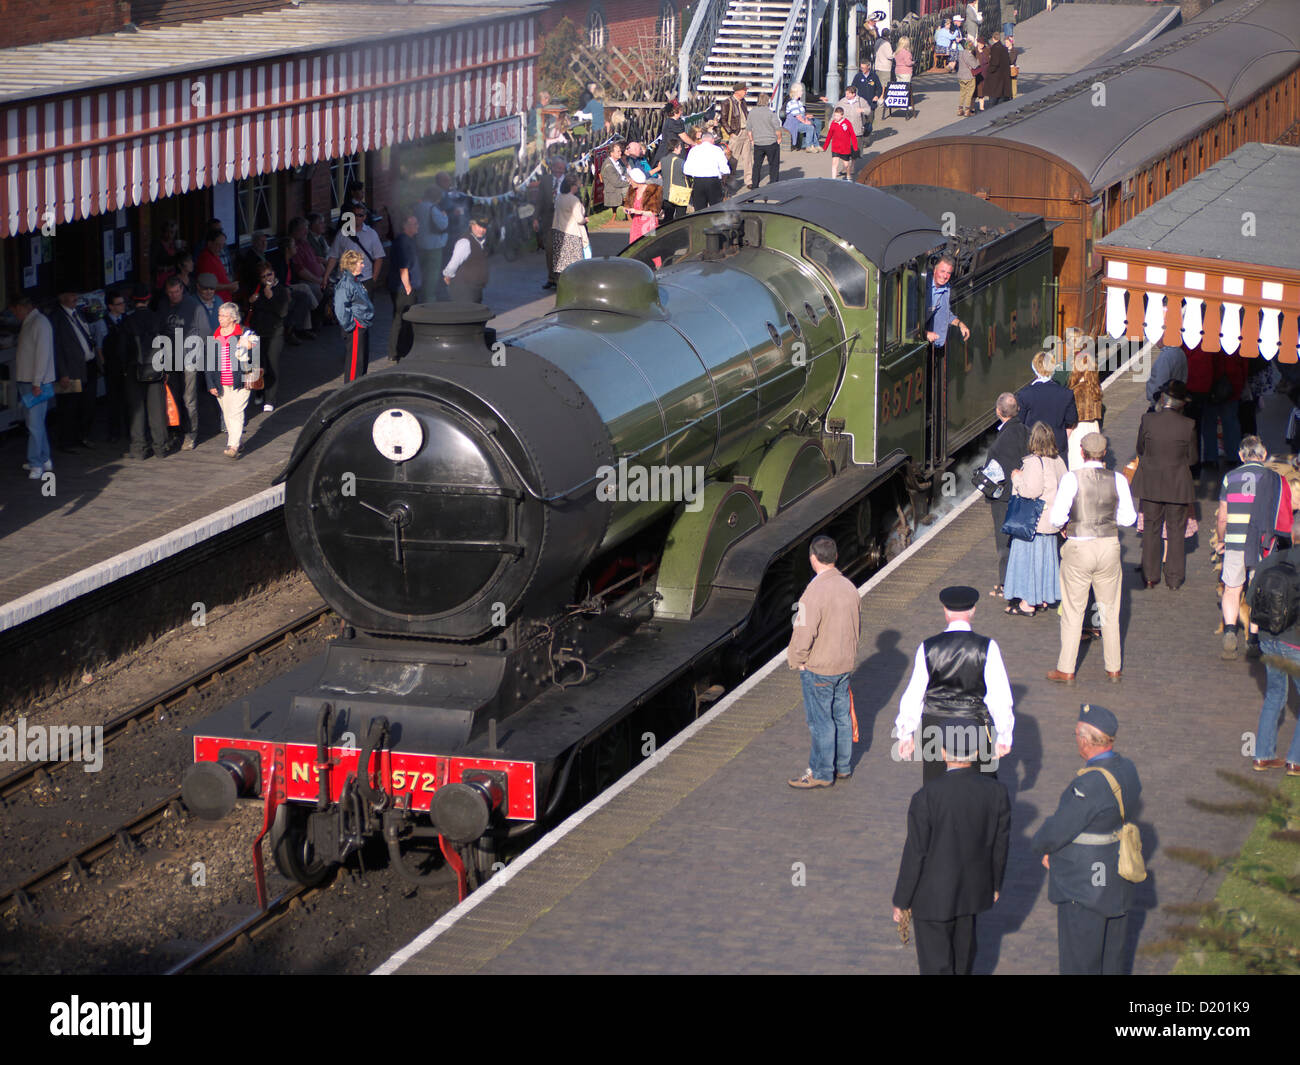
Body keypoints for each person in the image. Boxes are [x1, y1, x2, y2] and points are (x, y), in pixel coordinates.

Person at [1031, 704, 1143, 975]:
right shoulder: (1126, 768)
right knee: (1111, 962)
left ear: (1086, 740)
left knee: (1079, 963)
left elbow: (1059, 827)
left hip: (1085, 885)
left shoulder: (1089, 784)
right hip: (1116, 880)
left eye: (1076, 736)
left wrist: (1041, 846)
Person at [891, 724, 1011, 975]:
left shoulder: (926, 797)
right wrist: (995, 884)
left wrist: (902, 900)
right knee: (963, 962)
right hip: (971, 894)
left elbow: (916, 853)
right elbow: (1000, 844)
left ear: (943, 753)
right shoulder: (996, 792)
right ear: (977, 752)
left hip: (932, 899)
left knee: (936, 966)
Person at [895, 586, 1014, 783]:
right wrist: (1004, 735)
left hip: (934, 725)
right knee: (981, 789)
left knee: (935, 789)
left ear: (945, 610)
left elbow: (914, 694)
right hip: (975, 723)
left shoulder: (928, 647)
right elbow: (1000, 698)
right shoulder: (987, 647)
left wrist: (906, 732)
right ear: (973, 610)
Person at [1047, 432, 1137, 685]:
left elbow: (1056, 518)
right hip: (1109, 546)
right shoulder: (1117, 479)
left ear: (1082, 452)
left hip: (1079, 547)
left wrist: (1071, 523)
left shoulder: (1071, 479)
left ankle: (1066, 668)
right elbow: (1129, 518)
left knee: (1074, 610)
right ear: (1104, 453)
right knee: (1109, 609)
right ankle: (1113, 667)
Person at [786, 535, 861, 789]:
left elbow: (803, 631)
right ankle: (843, 767)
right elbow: (856, 627)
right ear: (835, 557)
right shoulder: (849, 587)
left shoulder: (813, 592)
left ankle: (821, 773)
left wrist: (798, 660)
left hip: (820, 668)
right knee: (841, 717)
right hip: (844, 665)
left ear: (812, 559)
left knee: (821, 722)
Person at [1217, 436, 1291, 660]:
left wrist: (1222, 539)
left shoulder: (1230, 477)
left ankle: (1230, 632)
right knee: (1258, 589)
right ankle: (1254, 638)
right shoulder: (1275, 479)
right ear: (1264, 454)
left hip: (1236, 541)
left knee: (1232, 588)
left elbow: (1223, 516)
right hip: (1262, 543)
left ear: (1241, 455)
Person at [1132, 380, 1197, 590]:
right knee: (1176, 531)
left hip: (1150, 482)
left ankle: (1150, 576)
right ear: (1180, 403)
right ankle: (1174, 579)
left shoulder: (1148, 420)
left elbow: (1140, 449)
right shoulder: (1188, 425)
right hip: (1178, 484)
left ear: (1162, 399)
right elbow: (1193, 458)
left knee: (1151, 528)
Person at [1244, 543, 1300, 775]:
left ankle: (1262, 756)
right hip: (1295, 642)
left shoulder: (1272, 559)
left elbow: (1249, 598)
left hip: (1269, 638)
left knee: (1274, 695)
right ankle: (1295, 761)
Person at [1004, 421, 1068, 617]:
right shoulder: (1058, 460)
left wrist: (1016, 477)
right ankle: (1041, 598)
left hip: (1033, 523)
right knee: (1045, 562)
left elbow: (1031, 491)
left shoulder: (1033, 462)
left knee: (1028, 563)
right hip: (1051, 523)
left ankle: (1027, 603)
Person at [984, 392, 1029, 597]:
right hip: (1025, 493)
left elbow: (991, 472)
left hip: (1003, 497)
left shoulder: (999, 444)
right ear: (1017, 410)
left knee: (1003, 542)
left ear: (998, 412)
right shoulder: (1026, 431)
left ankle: (1005, 583)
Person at [122, 282, 168, 461]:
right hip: (156, 369)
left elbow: (121, 349)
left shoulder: (128, 321)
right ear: (149, 300)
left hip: (134, 369)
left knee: (137, 410)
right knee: (157, 409)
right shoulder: (158, 318)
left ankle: (139, 448)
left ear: (133, 301)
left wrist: (125, 367)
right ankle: (160, 447)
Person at [12, 295, 56, 479]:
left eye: (16, 311)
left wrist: (37, 381)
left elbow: (42, 354)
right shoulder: (33, 322)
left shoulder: (39, 323)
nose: (15, 315)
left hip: (34, 381)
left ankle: (36, 462)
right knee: (36, 423)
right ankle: (43, 458)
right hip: (28, 380)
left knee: (34, 424)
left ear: (24, 308)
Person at [206, 302, 254, 459]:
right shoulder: (215, 335)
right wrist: (211, 383)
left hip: (241, 380)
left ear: (233, 318)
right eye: (219, 315)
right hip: (221, 382)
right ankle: (237, 442)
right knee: (227, 413)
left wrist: (250, 345)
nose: (220, 318)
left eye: (223, 316)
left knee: (235, 411)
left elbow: (257, 349)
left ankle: (232, 445)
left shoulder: (244, 332)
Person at [50, 290, 95, 452]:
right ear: (62, 298)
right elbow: (57, 348)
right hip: (70, 370)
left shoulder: (78, 314)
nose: (75, 298)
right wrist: (63, 373)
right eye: (71, 295)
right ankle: (66, 441)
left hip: (87, 365)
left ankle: (81, 436)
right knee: (69, 406)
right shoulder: (57, 318)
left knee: (86, 404)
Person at [1017, 350, 1078, 460]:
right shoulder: (1066, 394)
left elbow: (1020, 421)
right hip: (1057, 446)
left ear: (1034, 369)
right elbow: (1071, 419)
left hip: (1033, 447)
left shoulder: (1024, 395)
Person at [247, 263, 290, 412]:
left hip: (274, 333)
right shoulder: (258, 289)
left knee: (272, 366)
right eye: (263, 276)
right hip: (258, 333)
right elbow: (253, 311)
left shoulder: (281, 291)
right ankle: (259, 391)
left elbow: (283, 312)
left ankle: (270, 398)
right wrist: (250, 302)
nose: (267, 279)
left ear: (274, 273)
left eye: (269, 275)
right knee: (257, 366)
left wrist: (271, 298)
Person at [324, 203, 386, 295]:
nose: (356, 218)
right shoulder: (342, 233)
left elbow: (379, 257)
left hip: (364, 279)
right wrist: (326, 277)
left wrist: (373, 279)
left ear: (364, 217)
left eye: (360, 215)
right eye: (354, 215)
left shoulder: (371, 234)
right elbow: (333, 256)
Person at [386, 211, 422, 362]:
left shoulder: (406, 240)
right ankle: (401, 350)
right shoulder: (403, 242)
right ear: (405, 226)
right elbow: (403, 267)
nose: (417, 226)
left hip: (402, 287)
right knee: (403, 319)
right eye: (414, 224)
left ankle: (396, 350)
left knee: (399, 318)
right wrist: (408, 287)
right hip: (403, 289)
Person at [334, 249, 374, 382]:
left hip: (362, 325)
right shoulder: (346, 284)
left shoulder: (355, 281)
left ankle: (358, 387)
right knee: (355, 363)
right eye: (360, 263)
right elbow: (341, 308)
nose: (363, 265)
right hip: (356, 327)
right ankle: (350, 390)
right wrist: (352, 325)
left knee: (361, 361)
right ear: (352, 265)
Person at [1065, 337, 1102, 471]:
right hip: (1093, 427)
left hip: (1078, 431)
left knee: (1077, 465)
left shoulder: (1076, 391)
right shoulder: (1096, 388)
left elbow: (1073, 417)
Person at [533, 157, 567, 290]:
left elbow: (578, 199)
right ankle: (551, 278)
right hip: (549, 220)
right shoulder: (546, 180)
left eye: (561, 168)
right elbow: (539, 201)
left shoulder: (569, 180)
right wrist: (535, 218)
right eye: (556, 168)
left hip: (565, 219)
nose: (558, 171)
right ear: (551, 168)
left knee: (562, 250)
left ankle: (562, 278)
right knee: (550, 250)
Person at [443, 217, 490, 304]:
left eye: (484, 227)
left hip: (476, 289)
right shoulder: (465, 242)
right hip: (464, 289)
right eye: (479, 226)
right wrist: (448, 275)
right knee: (465, 314)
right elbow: (454, 263)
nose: (482, 230)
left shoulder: (481, 240)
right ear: (472, 225)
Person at [413, 186, 449, 300]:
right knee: (432, 274)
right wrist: (445, 216)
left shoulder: (418, 207)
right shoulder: (433, 208)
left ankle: (421, 295)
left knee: (422, 272)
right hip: (434, 245)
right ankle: (429, 299)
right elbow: (443, 225)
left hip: (420, 243)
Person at [551, 175, 588, 277]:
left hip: (559, 231)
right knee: (575, 265)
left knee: (562, 264)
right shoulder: (574, 200)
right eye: (577, 185)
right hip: (572, 234)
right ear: (572, 186)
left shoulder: (558, 197)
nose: (578, 187)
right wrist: (585, 220)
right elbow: (579, 219)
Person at [683, 130, 730, 211]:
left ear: (702, 140)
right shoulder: (717, 150)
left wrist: (696, 173)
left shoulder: (694, 150)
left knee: (699, 210)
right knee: (716, 209)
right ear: (712, 140)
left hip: (698, 182)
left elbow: (686, 170)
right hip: (713, 181)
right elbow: (725, 169)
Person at [747, 93, 782, 190]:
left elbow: (749, 130)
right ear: (767, 101)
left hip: (758, 143)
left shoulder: (752, 113)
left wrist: (752, 140)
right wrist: (779, 138)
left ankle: (755, 185)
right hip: (771, 142)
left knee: (757, 165)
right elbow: (777, 129)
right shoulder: (771, 113)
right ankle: (773, 185)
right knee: (773, 165)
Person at [195, 228, 239, 298]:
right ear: (210, 244)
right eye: (218, 245)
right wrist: (229, 286)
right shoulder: (205, 258)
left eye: (223, 245)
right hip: (216, 301)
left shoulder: (215, 254)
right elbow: (207, 285)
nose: (221, 248)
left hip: (225, 298)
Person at [1146, 344, 1188, 409]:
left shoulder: (1165, 357)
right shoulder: (1180, 352)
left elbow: (1160, 383)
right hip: (1177, 401)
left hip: (1163, 404)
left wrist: (1156, 402)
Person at [660, 137, 692, 224]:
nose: (681, 149)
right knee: (680, 217)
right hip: (679, 192)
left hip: (667, 192)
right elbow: (689, 173)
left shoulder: (663, 160)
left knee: (668, 217)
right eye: (680, 147)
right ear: (675, 148)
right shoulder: (680, 161)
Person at [822, 106, 859, 181]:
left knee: (846, 164)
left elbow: (852, 135)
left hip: (845, 148)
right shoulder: (833, 123)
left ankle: (848, 176)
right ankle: (833, 180)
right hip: (835, 147)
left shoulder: (847, 123)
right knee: (834, 163)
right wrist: (825, 146)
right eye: (835, 115)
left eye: (838, 116)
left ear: (842, 115)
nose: (836, 117)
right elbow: (829, 135)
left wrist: (855, 147)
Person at [783, 83, 822, 152]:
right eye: (801, 91)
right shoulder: (792, 103)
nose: (802, 92)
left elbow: (802, 114)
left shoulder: (799, 102)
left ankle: (816, 145)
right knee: (810, 127)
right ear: (796, 92)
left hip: (798, 121)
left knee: (812, 124)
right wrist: (805, 122)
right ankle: (808, 146)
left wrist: (806, 118)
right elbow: (797, 116)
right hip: (793, 124)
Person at [983, 31, 1012, 106]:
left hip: (995, 78)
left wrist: (988, 71)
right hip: (1004, 77)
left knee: (993, 100)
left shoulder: (995, 48)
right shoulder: (1004, 48)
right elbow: (1008, 61)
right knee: (1002, 100)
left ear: (993, 39)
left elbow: (995, 63)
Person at [601, 142, 631, 212]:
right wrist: (629, 182)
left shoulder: (618, 161)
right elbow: (616, 183)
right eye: (618, 151)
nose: (620, 153)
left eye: (620, 151)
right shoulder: (608, 166)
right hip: (614, 191)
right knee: (636, 189)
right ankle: (635, 213)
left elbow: (624, 172)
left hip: (622, 186)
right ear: (612, 153)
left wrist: (630, 178)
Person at [956, 36, 979, 117]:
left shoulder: (960, 54)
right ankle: (967, 110)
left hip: (960, 76)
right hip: (969, 77)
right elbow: (975, 66)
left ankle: (960, 109)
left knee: (962, 93)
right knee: (969, 93)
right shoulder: (969, 55)